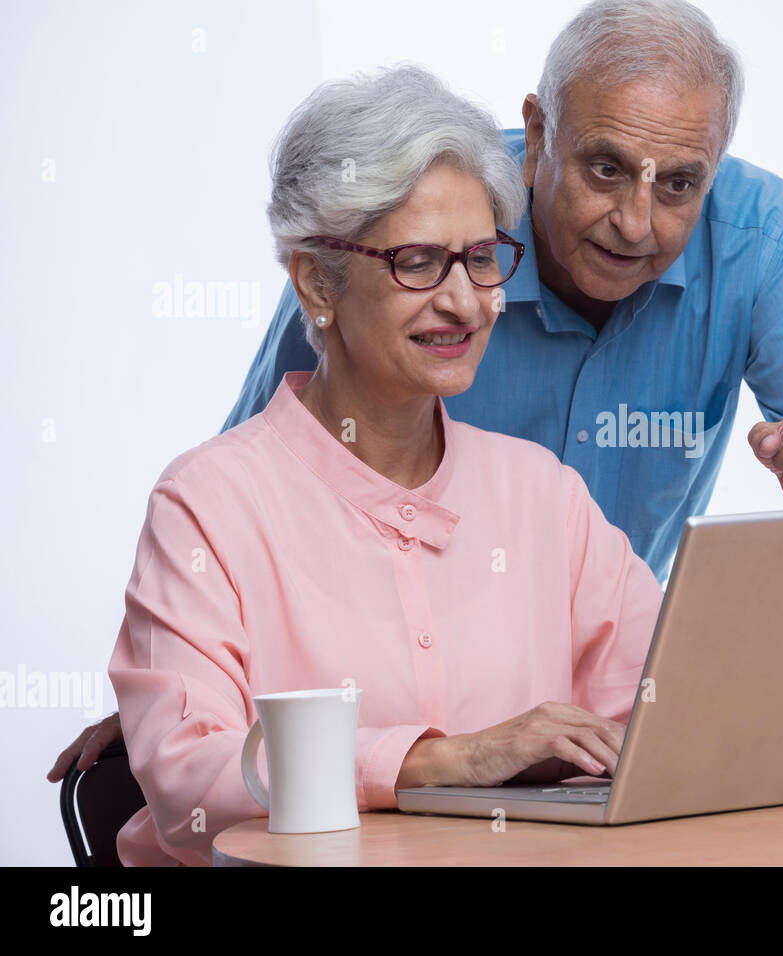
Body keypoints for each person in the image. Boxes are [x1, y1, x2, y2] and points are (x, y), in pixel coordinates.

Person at [49, 0, 783, 782]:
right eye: (603, 168)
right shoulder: (224, 487)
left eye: (480, 262)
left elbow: (700, 704)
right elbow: (253, 494)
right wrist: (186, 690)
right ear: (539, 137)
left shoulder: (554, 492)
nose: (636, 222)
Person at [103, 65, 662, 865]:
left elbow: (661, 721)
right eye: (418, 262)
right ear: (315, 282)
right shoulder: (207, 506)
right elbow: (189, 782)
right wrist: (441, 761)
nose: (467, 302)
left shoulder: (545, 494)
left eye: (481, 257)